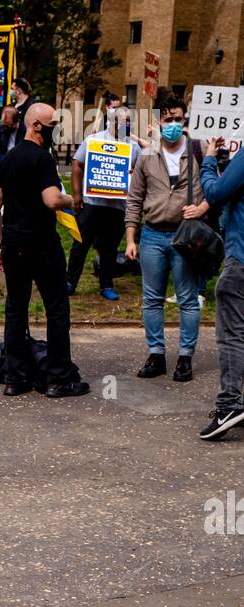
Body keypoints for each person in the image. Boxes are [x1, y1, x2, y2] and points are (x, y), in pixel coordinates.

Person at [0, 102, 89, 398]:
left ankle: (14, 378)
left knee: (16, 309)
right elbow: (52, 200)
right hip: (42, 245)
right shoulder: (43, 159)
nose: (55, 130)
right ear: (35, 126)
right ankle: (58, 378)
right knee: (56, 308)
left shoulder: (7, 160)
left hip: (14, 244)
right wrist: (75, 200)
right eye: (52, 125)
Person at [124, 95, 204, 382]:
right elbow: (134, 199)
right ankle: (156, 353)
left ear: (185, 120)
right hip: (153, 235)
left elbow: (213, 188)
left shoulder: (197, 149)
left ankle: (185, 357)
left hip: (185, 235)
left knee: (188, 299)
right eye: (167, 120)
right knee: (151, 299)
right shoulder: (148, 154)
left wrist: (202, 207)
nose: (172, 125)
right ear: (159, 121)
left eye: (177, 120)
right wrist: (131, 238)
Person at [183, 139, 244, 438]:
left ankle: (230, 405)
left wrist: (208, 160)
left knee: (231, 333)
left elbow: (216, 192)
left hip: (241, 257)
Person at [66, 104, 141, 300]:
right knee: (80, 245)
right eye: (121, 123)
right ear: (112, 121)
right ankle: (70, 282)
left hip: (117, 207)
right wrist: (76, 194)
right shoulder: (93, 140)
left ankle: (106, 285)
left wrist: (133, 175)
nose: (124, 127)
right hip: (92, 203)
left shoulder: (133, 147)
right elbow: (77, 164)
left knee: (109, 248)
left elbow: (141, 174)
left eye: (128, 124)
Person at [11, 78, 38, 145]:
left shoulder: (32, 106)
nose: (10, 91)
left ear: (18, 91)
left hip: (25, 145)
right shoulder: (12, 106)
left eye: (12, 89)